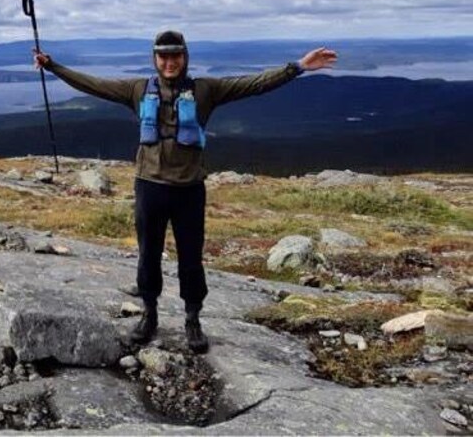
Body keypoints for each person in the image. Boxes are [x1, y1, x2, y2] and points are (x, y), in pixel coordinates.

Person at [33, 31, 337, 353]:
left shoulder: (206, 90)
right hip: (149, 186)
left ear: (184, 57)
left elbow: (254, 83)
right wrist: (53, 66)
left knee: (191, 259)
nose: (169, 62)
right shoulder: (137, 90)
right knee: (148, 255)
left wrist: (298, 67)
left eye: (175, 56)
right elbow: (92, 84)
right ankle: (149, 315)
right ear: (155, 59)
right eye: (163, 56)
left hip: (189, 190)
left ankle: (192, 319)